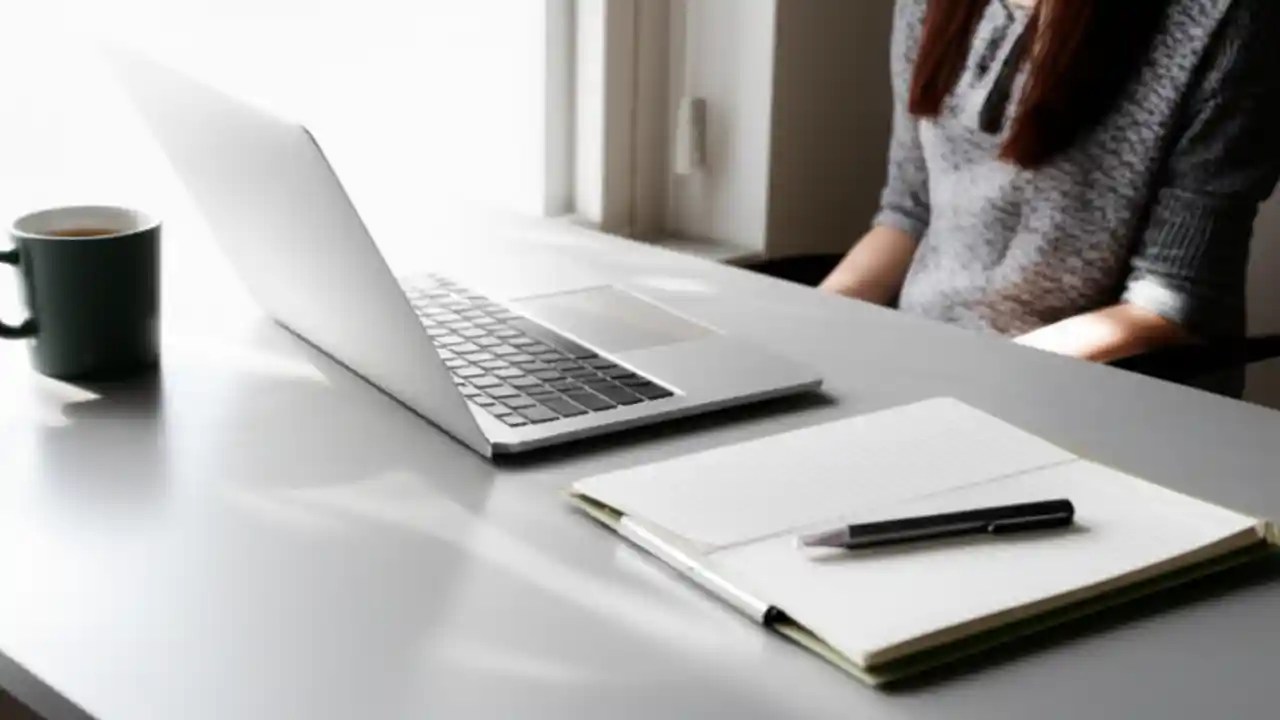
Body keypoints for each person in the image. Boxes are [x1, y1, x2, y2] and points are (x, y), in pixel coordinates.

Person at [820, 0, 1280, 364]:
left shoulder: (1225, 18)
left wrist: (968, 377)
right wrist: (813, 325)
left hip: (1098, 392)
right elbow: (909, 212)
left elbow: (1172, 302)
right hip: (929, 363)